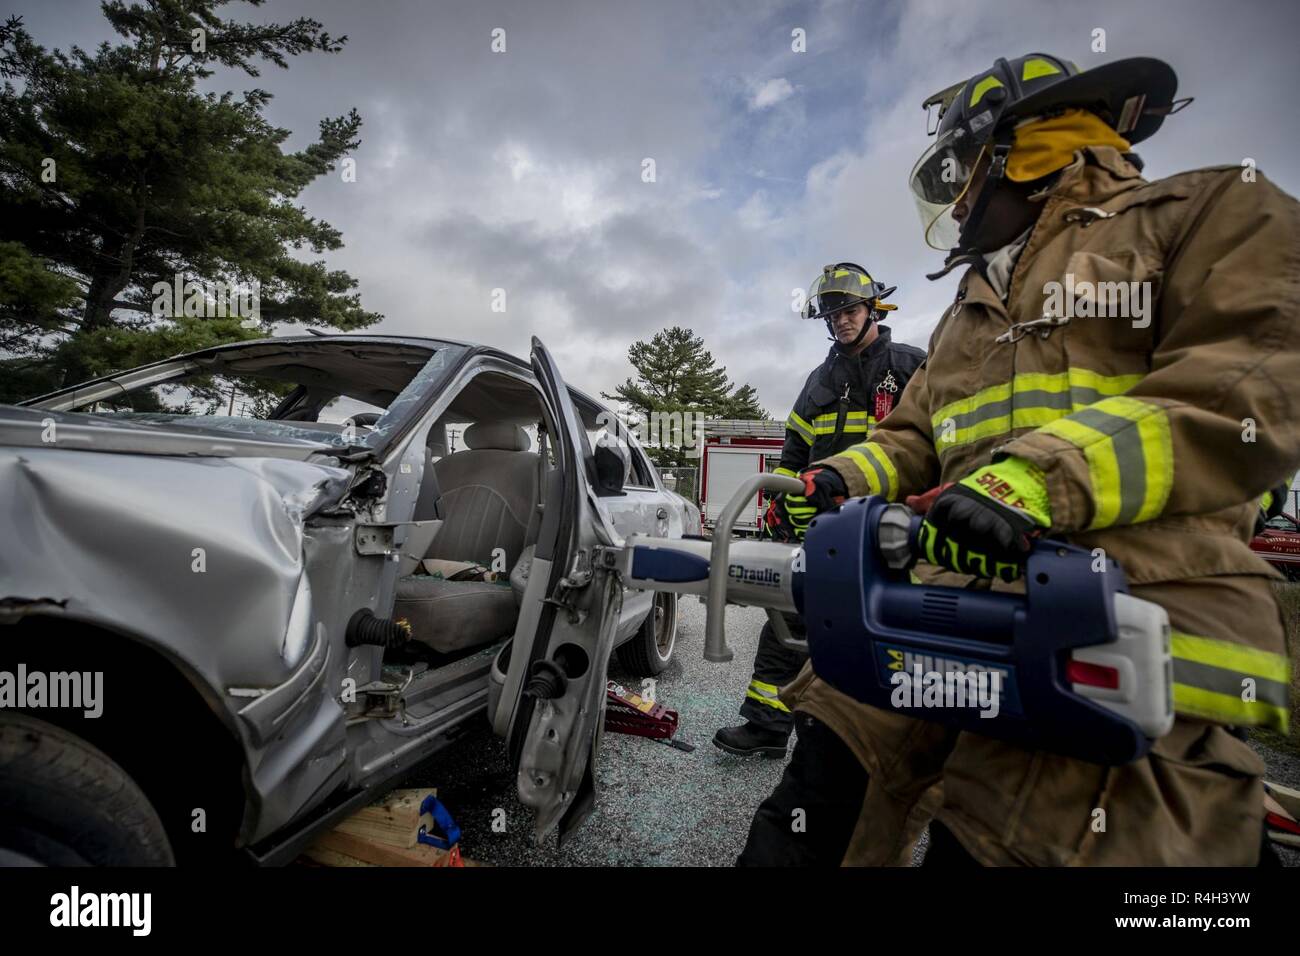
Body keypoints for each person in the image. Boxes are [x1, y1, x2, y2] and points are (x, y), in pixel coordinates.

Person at [743, 52, 1298, 866]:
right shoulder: (967, 309)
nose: (958, 203)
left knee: (1001, 845)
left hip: (1113, 627)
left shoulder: (1206, 215)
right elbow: (915, 437)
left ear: (1016, 150)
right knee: (808, 814)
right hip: (935, 610)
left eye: (961, 175)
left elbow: (1243, 386)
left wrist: (1038, 479)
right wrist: (839, 477)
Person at [712, 264, 924, 759]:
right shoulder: (819, 380)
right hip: (820, 528)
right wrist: (782, 502)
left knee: (883, 629)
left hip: (888, 527)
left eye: (849, 311)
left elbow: (926, 445)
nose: (841, 321)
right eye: (833, 315)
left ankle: (874, 746)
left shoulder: (911, 366)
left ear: (872, 309)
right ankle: (767, 725)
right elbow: (794, 451)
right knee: (789, 620)